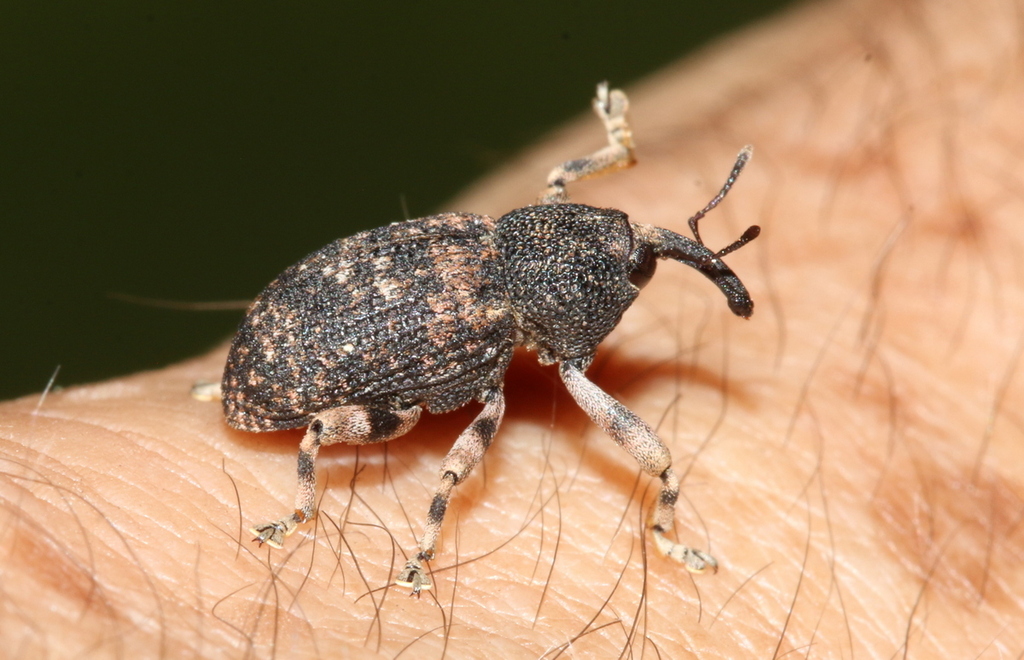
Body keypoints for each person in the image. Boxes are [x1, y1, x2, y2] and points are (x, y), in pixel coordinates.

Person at [3, 0, 1022, 656]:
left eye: (635, 252)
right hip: (295, 361)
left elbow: (564, 199)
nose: (651, 254)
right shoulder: (488, 336)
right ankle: (315, 520)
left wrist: (675, 237)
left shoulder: (501, 258)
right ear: (571, 279)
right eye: (635, 258)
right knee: (369, 438)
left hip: (311, 307)